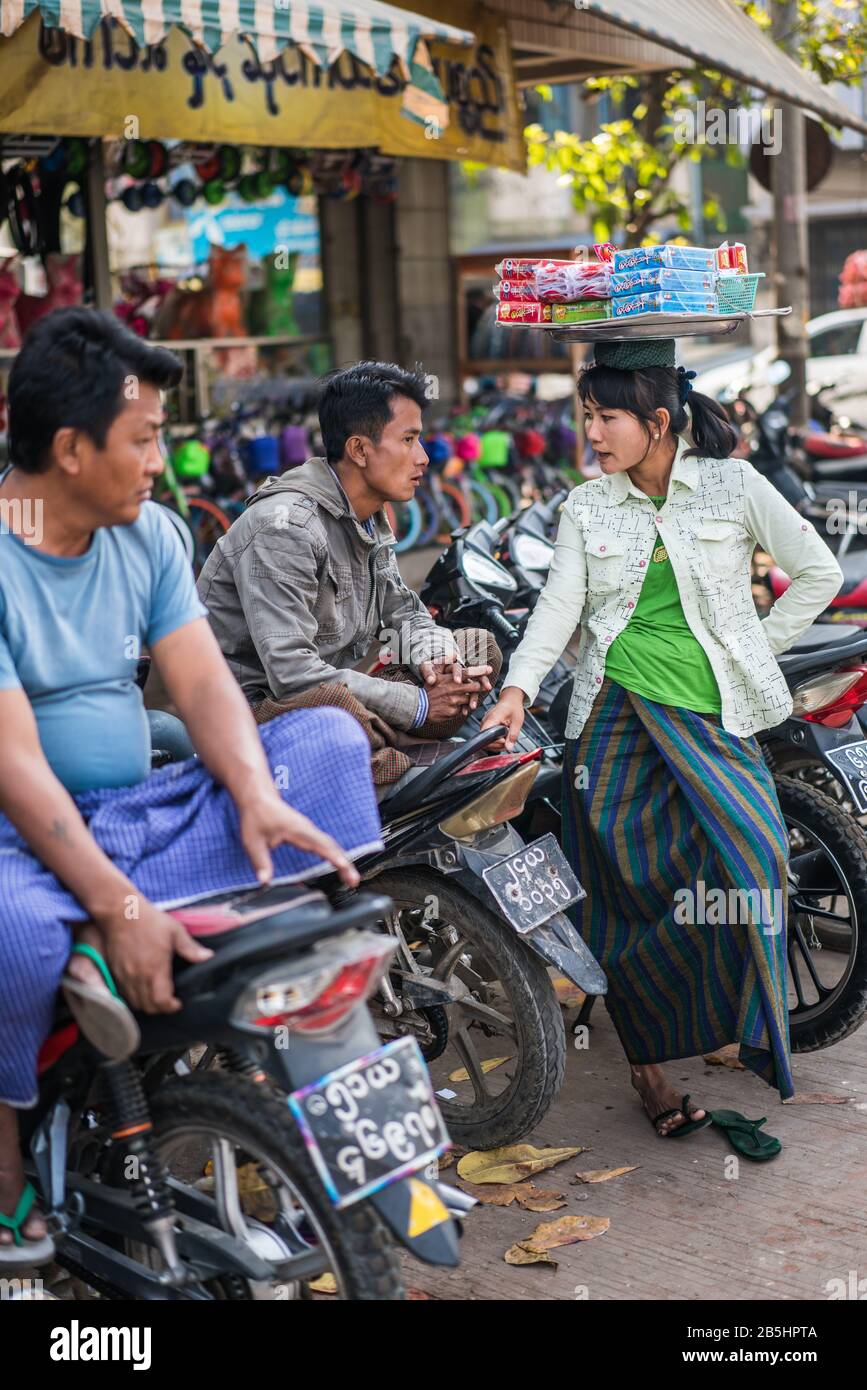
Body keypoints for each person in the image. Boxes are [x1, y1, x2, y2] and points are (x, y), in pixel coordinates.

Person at [0, 309, 381, 1261]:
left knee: (326, 741)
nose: (161, 462)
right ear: (70, 449)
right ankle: (5, 1172)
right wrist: (118, 903)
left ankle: (125, 922)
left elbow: (204, 680)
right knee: (10, 930)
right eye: (144, 440)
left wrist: (251, 787)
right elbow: (13, 765)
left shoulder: (151, 533)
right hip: (20, 841)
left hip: (134, 820)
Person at [482, 337, 843, 1136]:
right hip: (612, 716)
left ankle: (733, 1025)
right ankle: (646, 1066)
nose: (592, 435)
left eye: (605, 417)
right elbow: (557, 611)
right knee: (620, 889)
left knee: (755, 862)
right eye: (585, 417)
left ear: (655, 419)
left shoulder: (731, 484)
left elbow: (817, 570)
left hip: (710, 714)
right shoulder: (587, 505)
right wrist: (514, 689)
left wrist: (755, 646)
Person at [192, 362, 501, 787]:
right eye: (408, 440)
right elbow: (294, 674)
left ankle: (390, 743)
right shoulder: (286, 527)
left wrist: (439, 662)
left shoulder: (369, 517)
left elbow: (405, 614)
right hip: (259, 708)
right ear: (359, 449)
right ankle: (391, 747)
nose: (423, 457)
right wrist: (418, 705)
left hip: (335, 691)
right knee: (343, 717)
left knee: (477, 648)